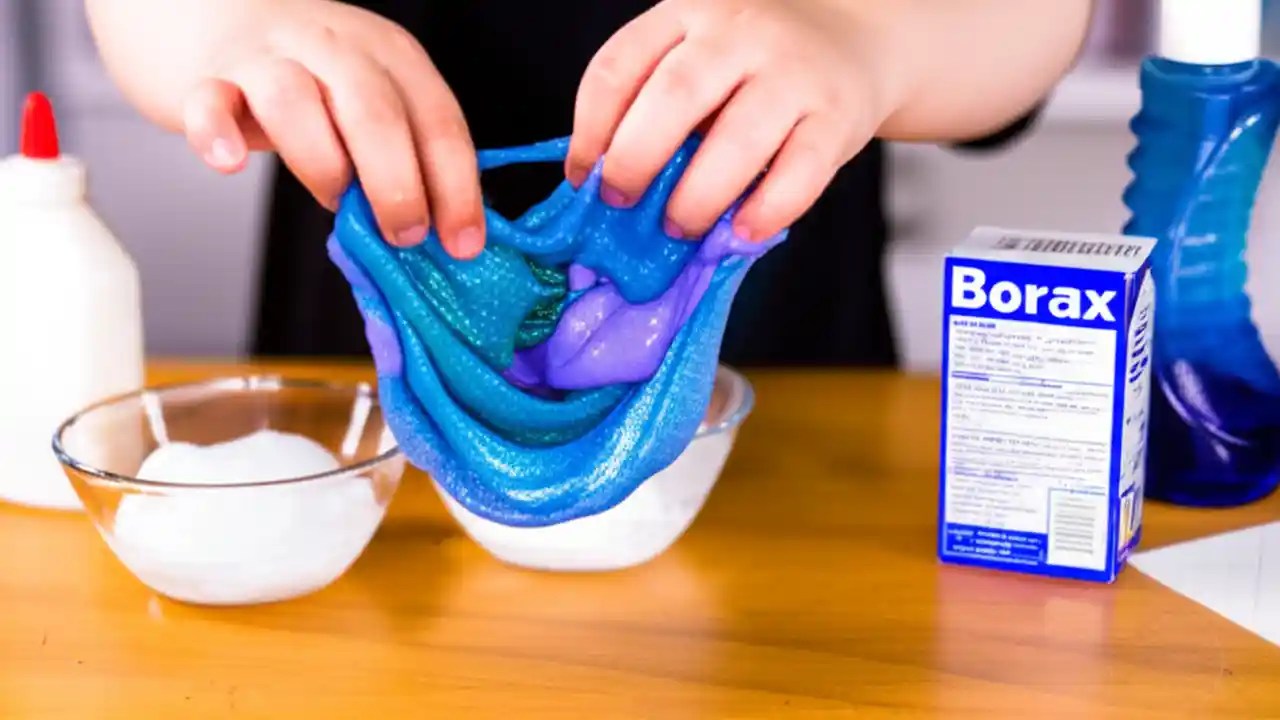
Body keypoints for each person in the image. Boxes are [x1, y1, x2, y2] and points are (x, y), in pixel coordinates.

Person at [85, 0, 1093, 367]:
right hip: (366, 422)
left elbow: (1029, 23)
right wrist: (226, 35)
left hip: (790, 408)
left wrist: (865, 42)